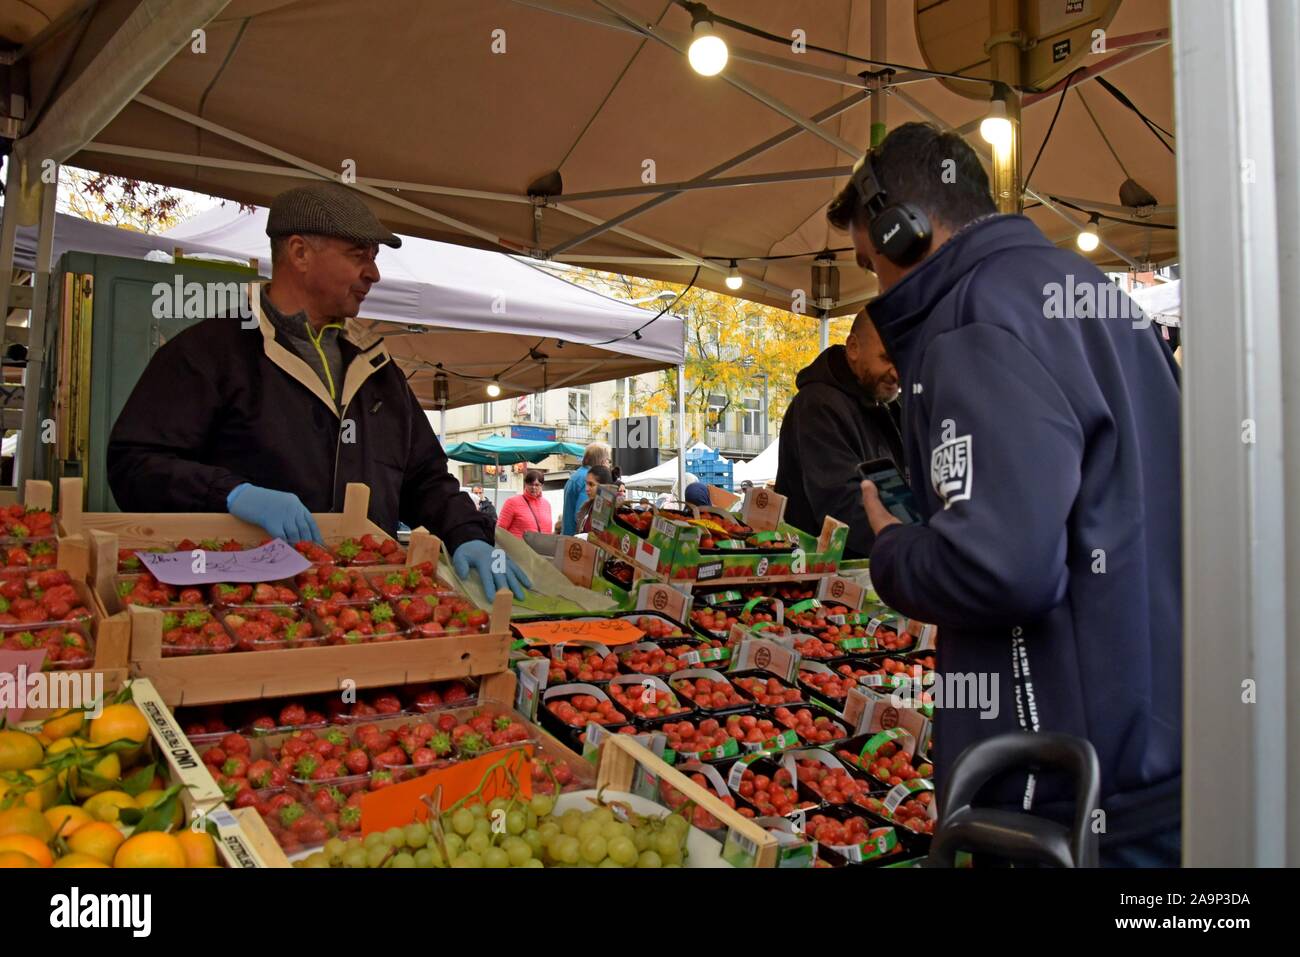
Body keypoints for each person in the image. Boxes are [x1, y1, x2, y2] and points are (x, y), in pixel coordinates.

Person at [836, 122, 1181, 866]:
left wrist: (896, 548)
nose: (876, 287)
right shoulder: (1090, 293)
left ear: (903, 232)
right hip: (1154, 765)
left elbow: (1002, 566)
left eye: (871, 261)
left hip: (1067, 795)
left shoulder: (974, 318)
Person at [106, 183, 530, 599]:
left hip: (358, 606)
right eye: (358, 254)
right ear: (299, 253)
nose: (374, 273)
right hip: (240, 605)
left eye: (375, 257)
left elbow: (425, 479)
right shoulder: (209, 352)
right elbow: (134, 464)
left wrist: (467, 535)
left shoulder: (379, 371)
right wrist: (232, 494)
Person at [774, 307, 905, 557]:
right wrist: (909, 546)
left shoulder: (885, 406)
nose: (897, 372)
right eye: (886, 358)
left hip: (877, 566)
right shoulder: (818, 406)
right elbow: (841, 504)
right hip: (824, 580)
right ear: (854, 348)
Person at [561, 442, 611, 535]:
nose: (608, 464)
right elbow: (582, 516)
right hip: (577, 540)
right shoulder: (589, 479)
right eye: (608, 460)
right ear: (602, 461)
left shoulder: (577, 475)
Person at [497, 469, 553, 538]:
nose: (533, 487)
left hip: (541, 548)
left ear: (542, 486)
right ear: (525, 484)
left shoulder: (546, 504)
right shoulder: (512, 502)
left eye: (537, 485)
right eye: (530, 484)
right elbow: (500, 530)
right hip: (518, 547)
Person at [574, 465, 614, 533]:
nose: (586, 489)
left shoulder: (614, 513)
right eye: (586, 484)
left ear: (604, 486)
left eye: (591, 484)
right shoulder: (586, 508)